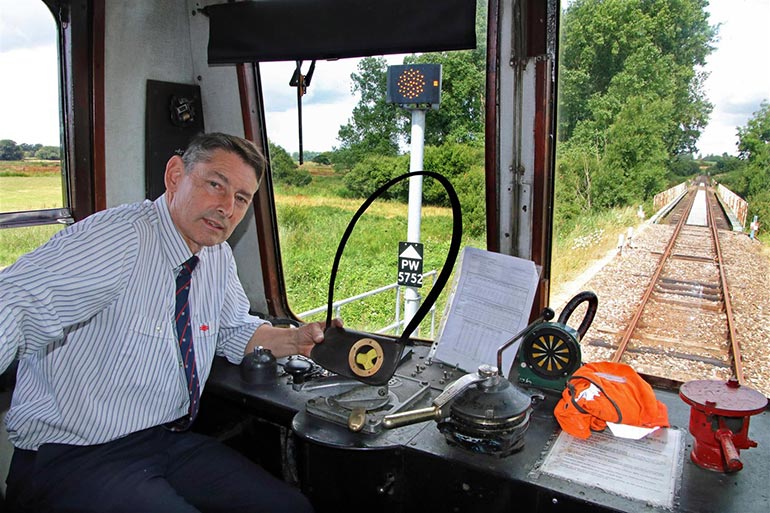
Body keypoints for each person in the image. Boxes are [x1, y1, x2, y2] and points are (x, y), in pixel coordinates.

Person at [0, 132, 334, 512]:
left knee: (289, 508)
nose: (227, 207)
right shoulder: (118, 238)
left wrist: (296, 340)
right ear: (175, 175)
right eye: (215, 184)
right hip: (73, 455)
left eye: (241, 198)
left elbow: (232, 330)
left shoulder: (216, 257)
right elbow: (16, 301)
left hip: (161, 440)